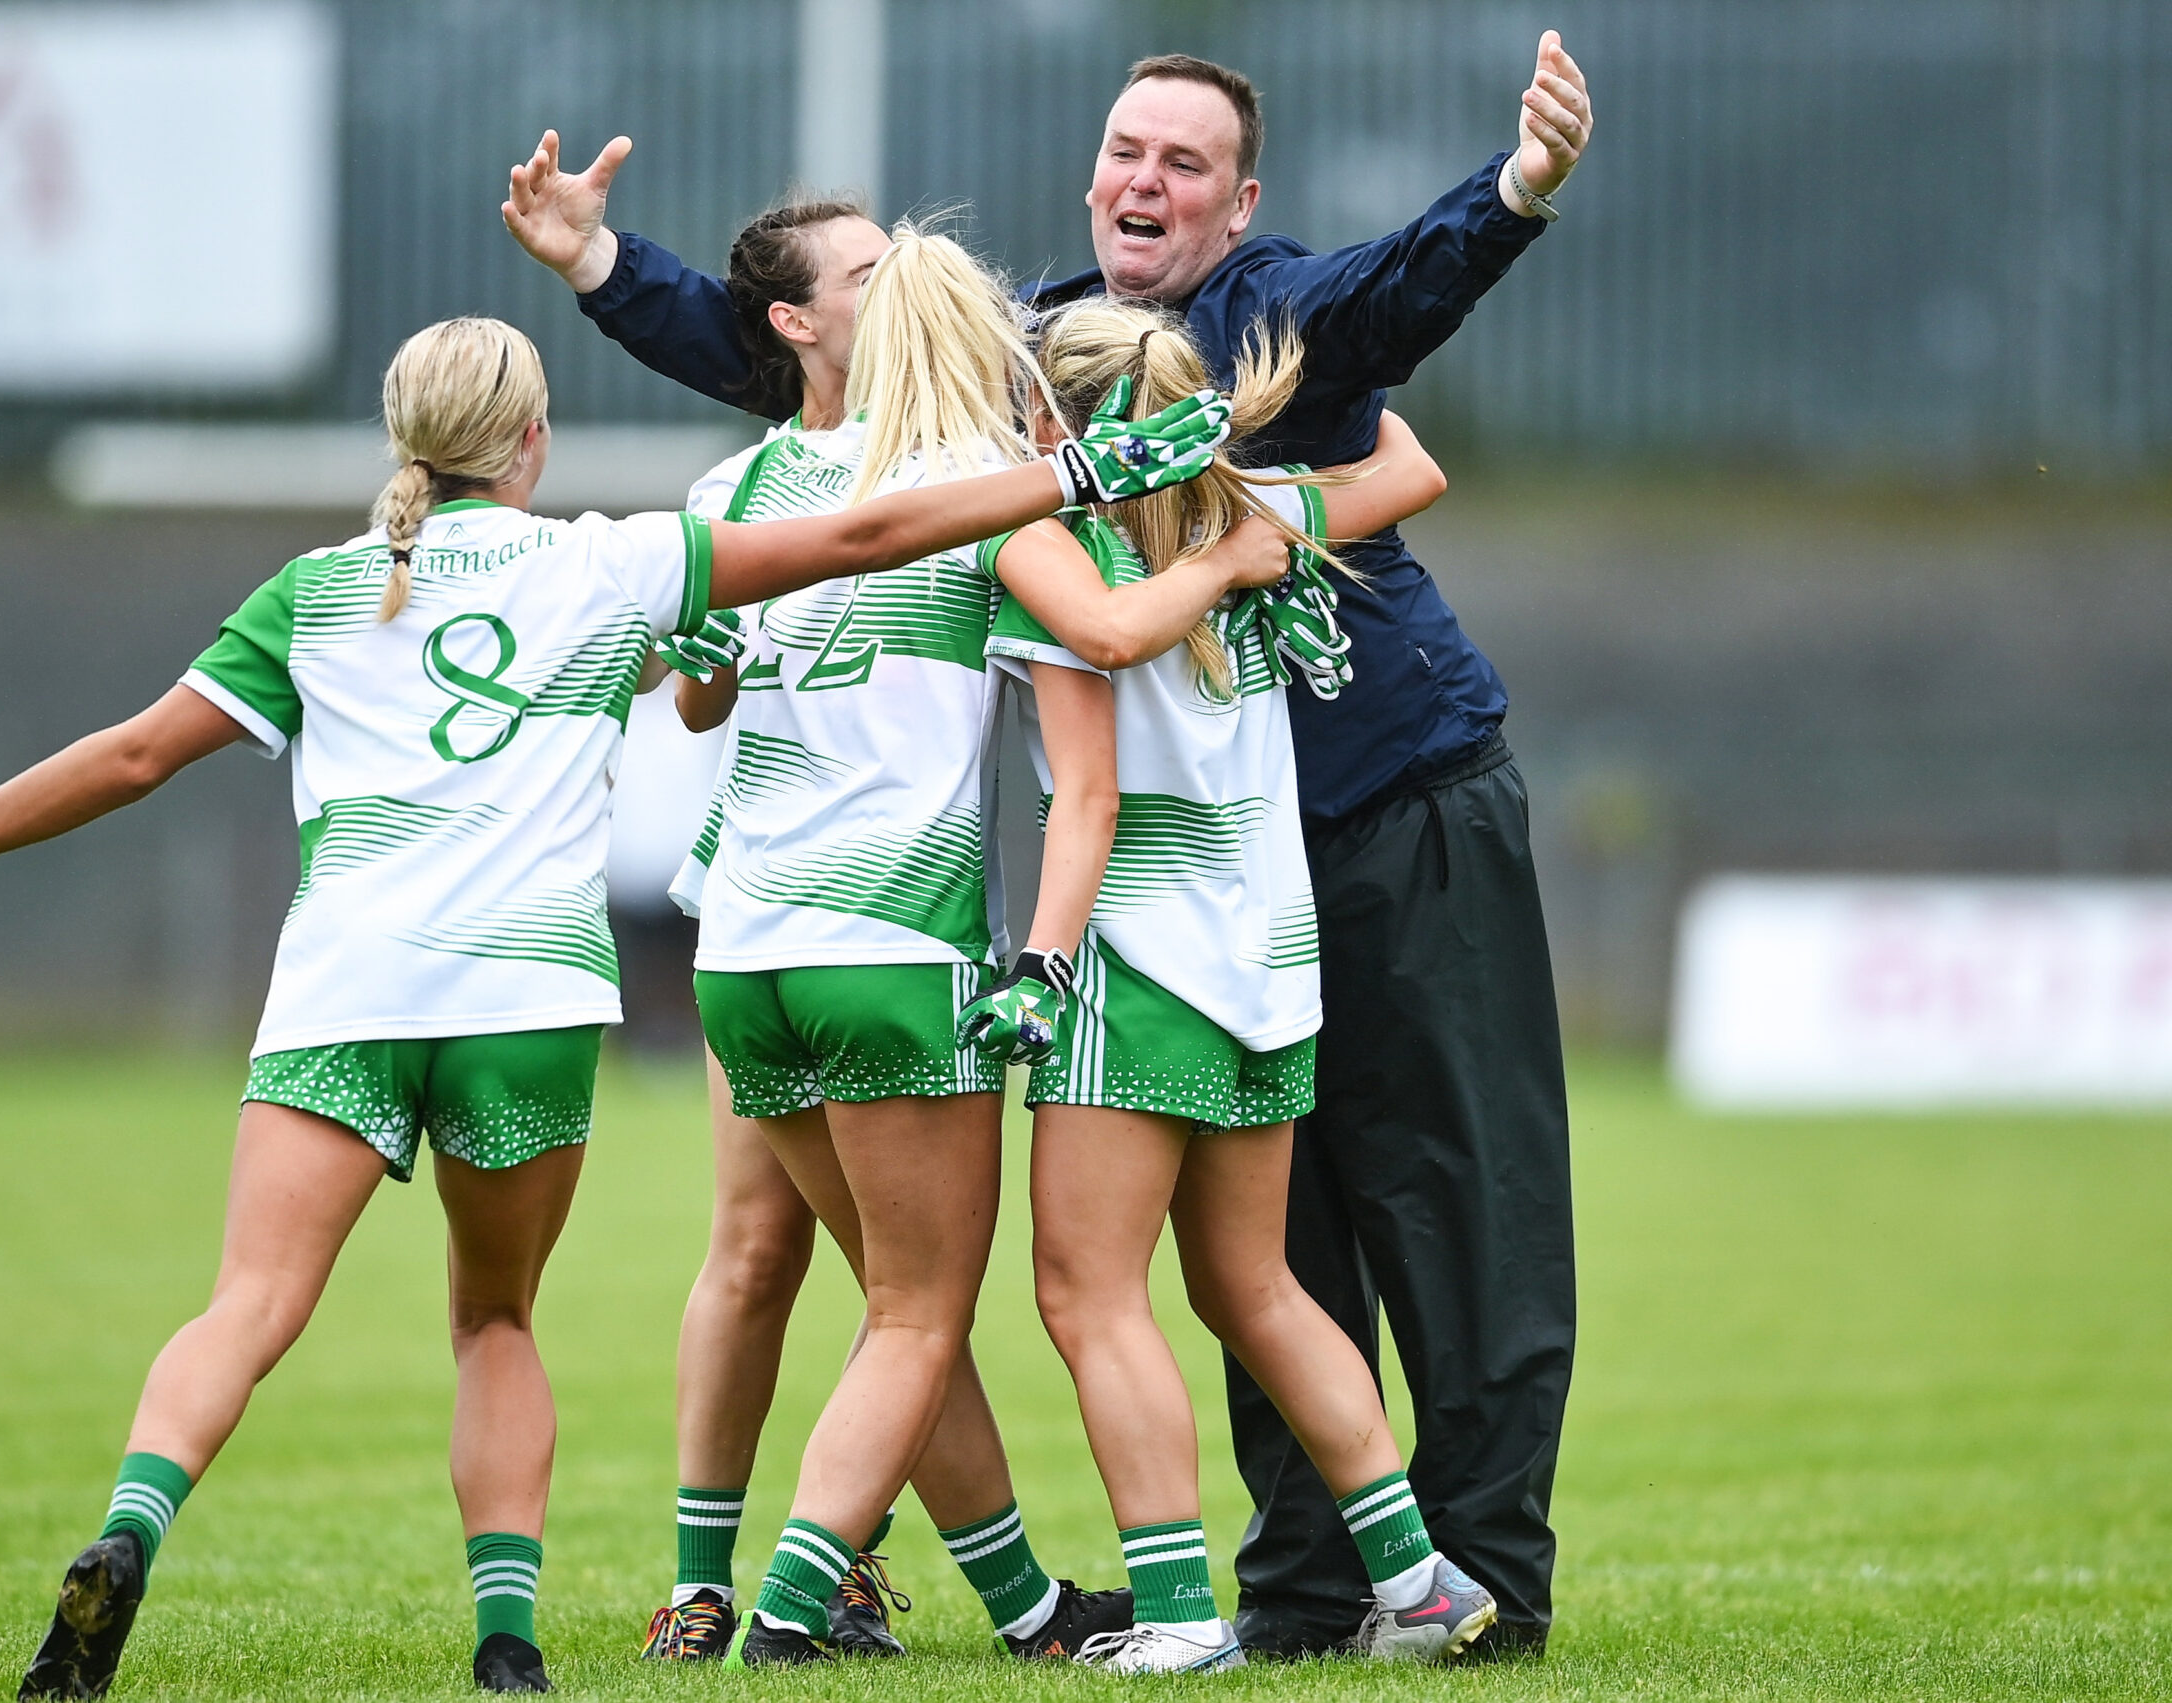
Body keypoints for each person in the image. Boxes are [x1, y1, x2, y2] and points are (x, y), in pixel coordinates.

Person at [0, 314, 1235, 1699]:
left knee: (250, 1304)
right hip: (526, 997)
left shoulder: (319, 588)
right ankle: (505, 1644)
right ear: (532, 439)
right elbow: (858, 536)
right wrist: (1071, 472)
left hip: (341, 992)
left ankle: (132, 1528)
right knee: (495, 1318)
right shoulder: (607, 566)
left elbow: (133, 757)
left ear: (404, 438)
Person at [504, 29, 1592, 1657]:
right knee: (1260, 1266)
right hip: (1239, 878)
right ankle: (1328, 1584)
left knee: (1439, 1209)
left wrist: (1515, 193)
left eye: (1184, 161)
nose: (1143, 179)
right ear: (1093, 172)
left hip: (1383, 809)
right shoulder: (1044, 378)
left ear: (1240, 204)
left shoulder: (1259, 328)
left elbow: (1395, 316)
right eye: (1125, 150)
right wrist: (601, 266)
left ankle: (1453, 1574)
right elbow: (810, 353)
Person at [614, 214, 1292, 1669]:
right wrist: (1239, 558)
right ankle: (793, 1610)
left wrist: (716, 664)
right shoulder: (981, 496)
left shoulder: (734, 482)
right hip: (886, 940)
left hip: (738, 953)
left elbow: (694, 696)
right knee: (919, 1316)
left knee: (879, 1308)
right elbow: (1108, 637)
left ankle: (1019, 1607)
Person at [962, 297, 1494, 1672]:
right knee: (1250, 1283)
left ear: (1053, 426)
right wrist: (1299, 358)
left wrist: (1042, 965)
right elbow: (1412, 467)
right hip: (1272, 962)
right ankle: (1420, 1580)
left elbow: (1089, 786)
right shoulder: (1249, 514)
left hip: (1139, 962)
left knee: (1089, 1294)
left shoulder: (1053, 546)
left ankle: (1181, 1616)